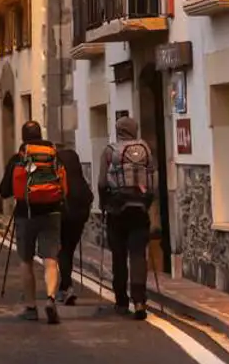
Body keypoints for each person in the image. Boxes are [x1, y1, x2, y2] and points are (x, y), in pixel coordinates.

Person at [0, 120, 66, 324]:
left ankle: (30, 307)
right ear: (40, 135)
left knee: (26, 260)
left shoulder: (18, 158)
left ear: (23, 137)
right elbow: (63, 185)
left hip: (25, 214)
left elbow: (4, 191)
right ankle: (51, 298)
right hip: (52, 213)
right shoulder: (54, 156)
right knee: (51, 259)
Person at [98, 116, 156, 320]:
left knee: (119, 256)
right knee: (138, 255)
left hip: (117, 210)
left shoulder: (110, 151)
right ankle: (139, 301)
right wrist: (147, 204)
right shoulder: (145, 149)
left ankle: (121, 301)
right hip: (140, 210)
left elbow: (102, 183)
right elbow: (152, 180)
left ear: (118, 131)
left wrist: (103, 205)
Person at [53, 137, 93, 306]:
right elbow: (89, 197)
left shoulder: (58, 177)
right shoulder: (80, 180)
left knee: (63, 251)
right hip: (78, 219)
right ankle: (65, 286)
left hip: (63, 217)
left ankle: (66, 286)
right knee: (68, 250)